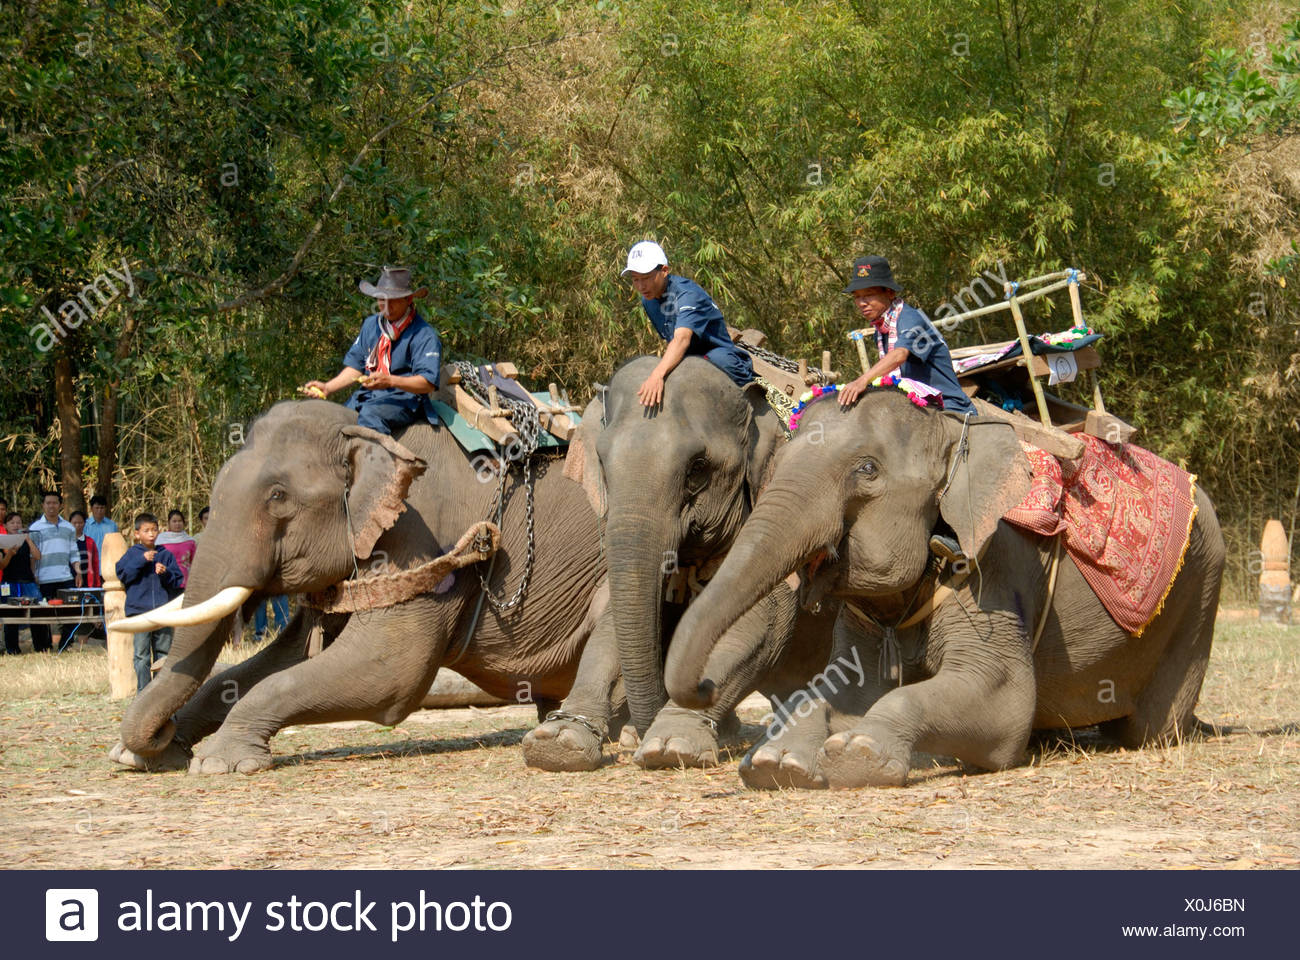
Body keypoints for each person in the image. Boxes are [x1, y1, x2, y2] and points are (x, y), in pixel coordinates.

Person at [303, 266, 443, 436]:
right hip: (368, 395)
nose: (387, 307)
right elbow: (356, 366)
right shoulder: (371, 325)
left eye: (393, 301)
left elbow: (427, 383)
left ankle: (379, 453)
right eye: (382, 300)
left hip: (405, 399)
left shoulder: (424, 334)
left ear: (408, 299)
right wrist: (328, 387)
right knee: (336, 420)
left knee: (370, 416)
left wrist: (390, 381)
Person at [837, 255, 974, 415]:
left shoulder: (911, 318)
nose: (862, 302)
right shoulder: (881, 331)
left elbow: (899, 354)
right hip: (916, 408)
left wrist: (862, 381)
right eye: (857, 297)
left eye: (869, 294)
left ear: (890, 293)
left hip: (947, 406)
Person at [621, 241, 754, 406]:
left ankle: (762, 400)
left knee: (719, 360)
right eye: (635, 279)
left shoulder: (688, 294)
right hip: (687, 359)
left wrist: (657, 375)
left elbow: (682, 339)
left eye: (646, 278)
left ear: (664, 271)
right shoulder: (648, 301)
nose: (641, 286)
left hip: (717, 357)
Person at [116, 513, 185, 691]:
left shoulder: (165, 554)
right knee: (141, 655)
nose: (151, 534)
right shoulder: (132, 554)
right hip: (139, 612)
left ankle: (160, 692)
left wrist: (165, 572)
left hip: (163, 612)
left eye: (154, 530)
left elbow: (177, 580)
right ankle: (143, 691)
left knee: (163, 653)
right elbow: (123, 575)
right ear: (137, 534)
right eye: (146, 530)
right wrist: (142, 560)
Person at [28, 490, 80, 652]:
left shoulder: (68, 527)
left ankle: (66, 644)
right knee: (40, 614)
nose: (51, 506)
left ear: (60, 505)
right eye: (48, 503)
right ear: (43, 505)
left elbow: (74, 552)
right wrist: (33, 575)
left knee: (73, 611)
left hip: (65, 577)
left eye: (55, 503)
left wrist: (78, 572)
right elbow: (32, 555)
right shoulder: (35, 528)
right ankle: (42, 647)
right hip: (43, 578)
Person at [0, 511, 41, 654]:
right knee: (10, 615)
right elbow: (2, 565)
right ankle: (12, 649)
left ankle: (40, 646)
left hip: (27, 581)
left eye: (18, 522)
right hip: (9, 582)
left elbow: (37, 556)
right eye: (12, 523)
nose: (16, 525)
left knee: (37, 613)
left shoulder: (26, 541)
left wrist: (28, 540)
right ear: (5, 526)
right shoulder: (2, 542)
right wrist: (10, 554)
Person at [156, 509, 197, 587]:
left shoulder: (190, 541)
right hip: (166, 578)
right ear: (169, 523)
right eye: (174, 521)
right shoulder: (160, 540)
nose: (177, 524)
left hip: (185, 580)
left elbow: (194, 562)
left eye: (180, 521)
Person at [68, 510, 102, 588]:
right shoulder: (66, 541)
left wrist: (97, 584)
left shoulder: (90, 542)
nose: (77, 525)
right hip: (68, 581)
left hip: (87, 580)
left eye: (80, 523)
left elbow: (95, 564)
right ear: (69, 523)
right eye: (74, 523)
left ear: (84, 523)